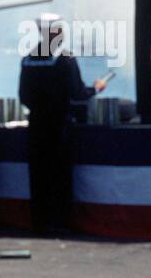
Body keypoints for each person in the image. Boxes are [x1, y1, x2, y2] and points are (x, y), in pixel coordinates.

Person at [19, 13, 106, 234]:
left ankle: (39, 222)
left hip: (36, 125)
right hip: (59, 126)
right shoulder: (65, 59)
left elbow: (24, 96)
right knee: (59, 176)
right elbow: (77, 94)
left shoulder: (28, 59)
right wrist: (95, 88)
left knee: (38, 176)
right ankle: (59, 222)